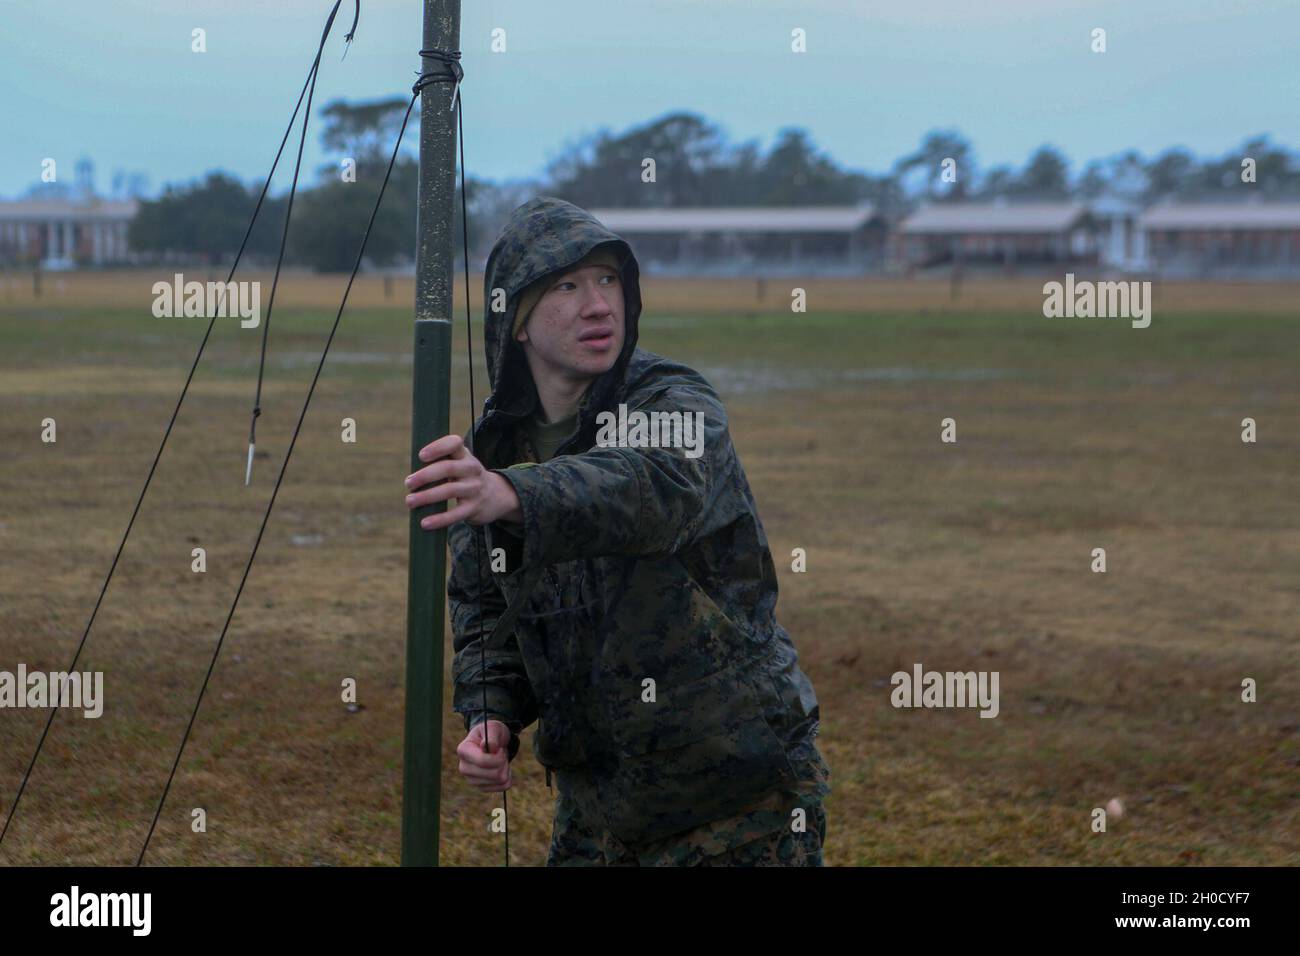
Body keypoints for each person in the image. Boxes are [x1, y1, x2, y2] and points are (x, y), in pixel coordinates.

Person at [404, 196, 830, 866]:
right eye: (567, 287)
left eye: (610, 282)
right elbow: (487, 606)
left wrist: (514, 492)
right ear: (515, 321)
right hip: (599, 803)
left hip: (736, 793)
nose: (599, 305)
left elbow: (654, 487)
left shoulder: (671, 401)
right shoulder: (493, 447)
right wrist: (492, 712)